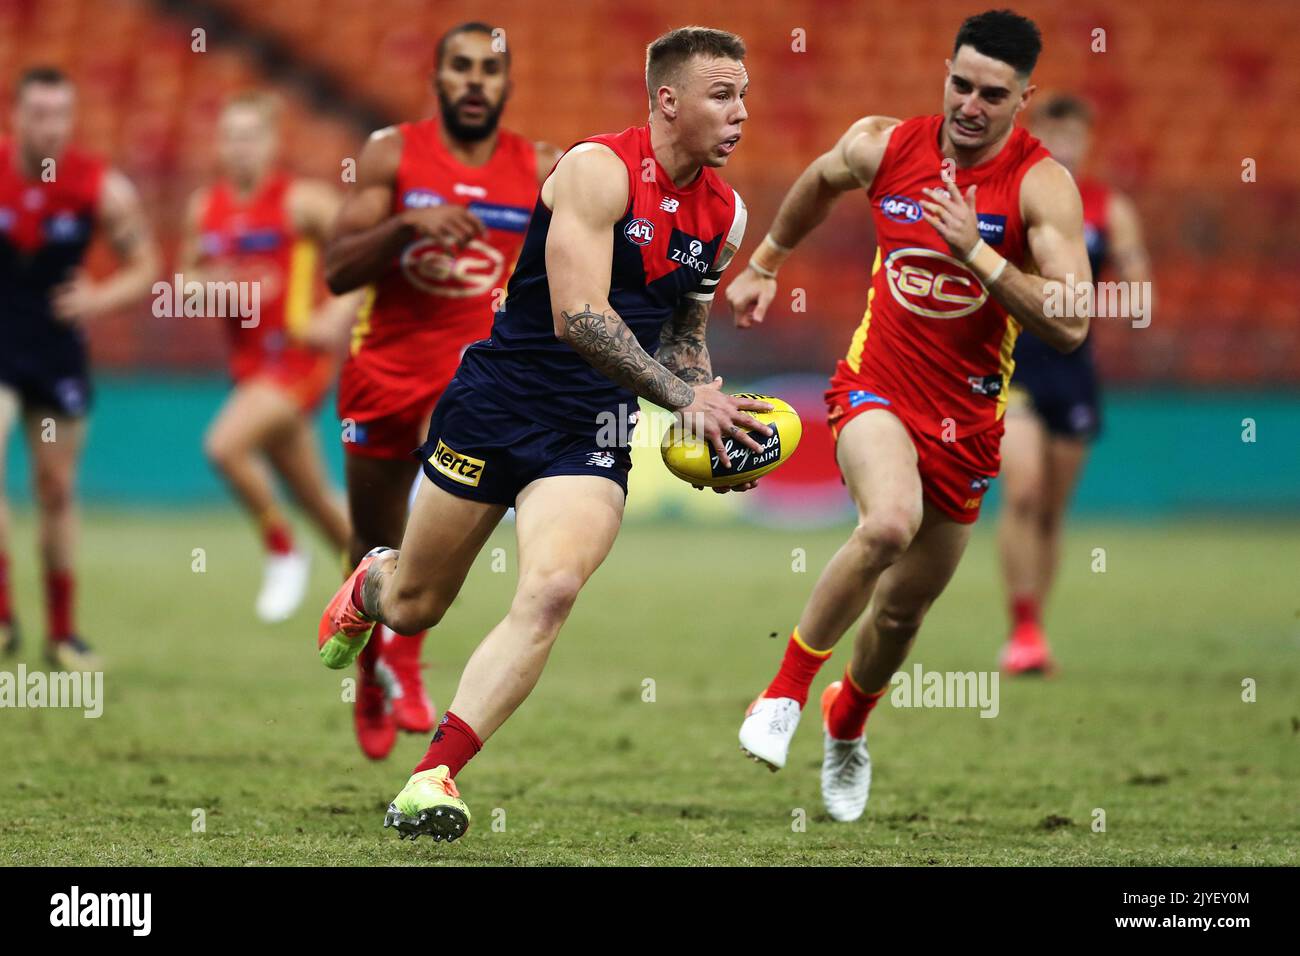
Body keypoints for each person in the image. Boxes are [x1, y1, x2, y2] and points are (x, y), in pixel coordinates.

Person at [317, 26, 763, 841]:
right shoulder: (596, 170)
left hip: (589, 430)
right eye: (723, 96)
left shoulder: (725, 213)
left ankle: (433, 776)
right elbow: (580, 318)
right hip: (496, 403)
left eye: (744, 97)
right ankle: (371, 581)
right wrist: (678, 397)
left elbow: (686, 333)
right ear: (668, 100)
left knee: (551, 591)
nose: (742, 114)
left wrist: (708, 408)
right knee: (417, 607)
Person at [727, 9, 1091, 823]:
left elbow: (1072, 321)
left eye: (991, 94)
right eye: (959, 83)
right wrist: (765, 261)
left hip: (967, 421)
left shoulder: (1040, 185)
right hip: (874, 387)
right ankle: (782, 693)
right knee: (887, 524)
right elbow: (821, 180)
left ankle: (846, 726)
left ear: (1023, 98)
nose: (969, 104)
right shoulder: (885, 146)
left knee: (900, 613)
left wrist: (979, 251)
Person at [324, 22, 559, 759]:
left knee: (434, 503)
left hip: (467, 377)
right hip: (379, 372)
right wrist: (405, 226)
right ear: (438, 79)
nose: (474, 81)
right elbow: (336, 269)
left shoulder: (542, 167)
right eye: (460, 68)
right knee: (372, 542)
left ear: (507, 84)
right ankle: (370, 677)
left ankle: (406, 657)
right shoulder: (392, 153)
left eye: (489, 69)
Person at [0, 66, 160, 666]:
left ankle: (61, 632)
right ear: (17, 116)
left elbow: (144, 263)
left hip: (57, 351)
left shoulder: (99, 186)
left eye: (59, 114)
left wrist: (98, 299)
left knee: (56, 489)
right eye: (37, 113)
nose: (49, 127)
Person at [180, 92, 357, 623]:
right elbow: (187, 279)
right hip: (251, 369)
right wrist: (211, 288)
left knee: (224, 446)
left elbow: (367, 250)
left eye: (250, 136)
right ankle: (387, 592)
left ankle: (282, 550)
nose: (240, 148)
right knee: (317, 499)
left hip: (297, 359)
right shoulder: (204, 208)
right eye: (231, 137)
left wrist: (337, 312)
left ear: (273, 142)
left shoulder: (300, 201)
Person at [996, 93, 1151, 675]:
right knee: (1024, 492)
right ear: (1032, 135)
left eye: (1073, 134)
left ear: (1087, 141)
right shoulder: (1009, 197)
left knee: (1053, 512)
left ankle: (1036, 624)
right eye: (1051, 131)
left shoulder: (1110, 207)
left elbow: (1137, 291)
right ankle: (1023, 628)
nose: (1063, 143)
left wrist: (1119, 292)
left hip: (1072, 368)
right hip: (1012, 365)